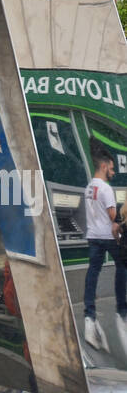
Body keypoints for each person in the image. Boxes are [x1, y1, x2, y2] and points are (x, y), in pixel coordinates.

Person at [82, 149, 125, 352]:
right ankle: (121, 310)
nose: (113, 172)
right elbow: (112, 216)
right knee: (122, 266)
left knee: (93, 272)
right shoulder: (106, 188)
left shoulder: (89, 188)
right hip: (109, 237)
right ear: (104, 165)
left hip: (93, 236)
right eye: (112, 168)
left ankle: (89, 315)